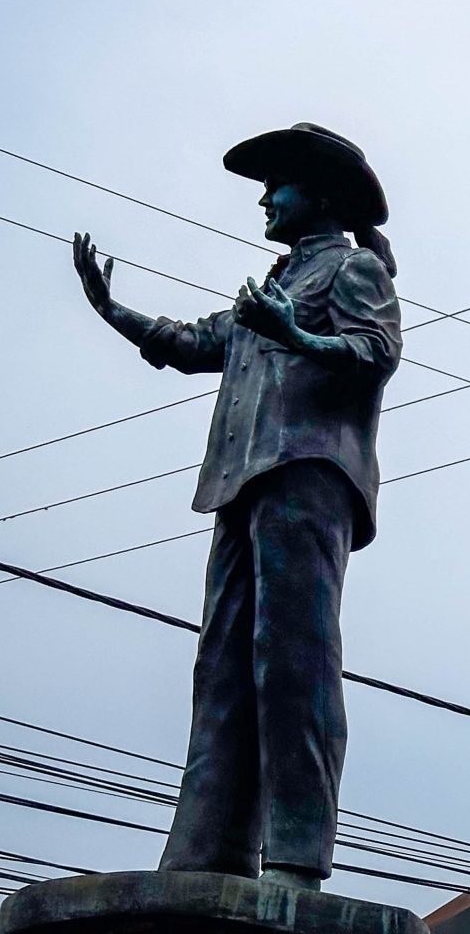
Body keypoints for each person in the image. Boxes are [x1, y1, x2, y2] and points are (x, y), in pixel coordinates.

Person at [70, 123, 401, 892]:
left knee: (294, 664)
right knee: (222, 670)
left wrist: (294, 333)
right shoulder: (275, 286)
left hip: (309, 474)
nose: (263, 199)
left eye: (274, 185)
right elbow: (196, 342)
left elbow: (374, 353)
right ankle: (207, 853)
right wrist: (111, 309)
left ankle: (295, 859)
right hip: (244, 480)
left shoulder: (351, 271)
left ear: (315, 195)